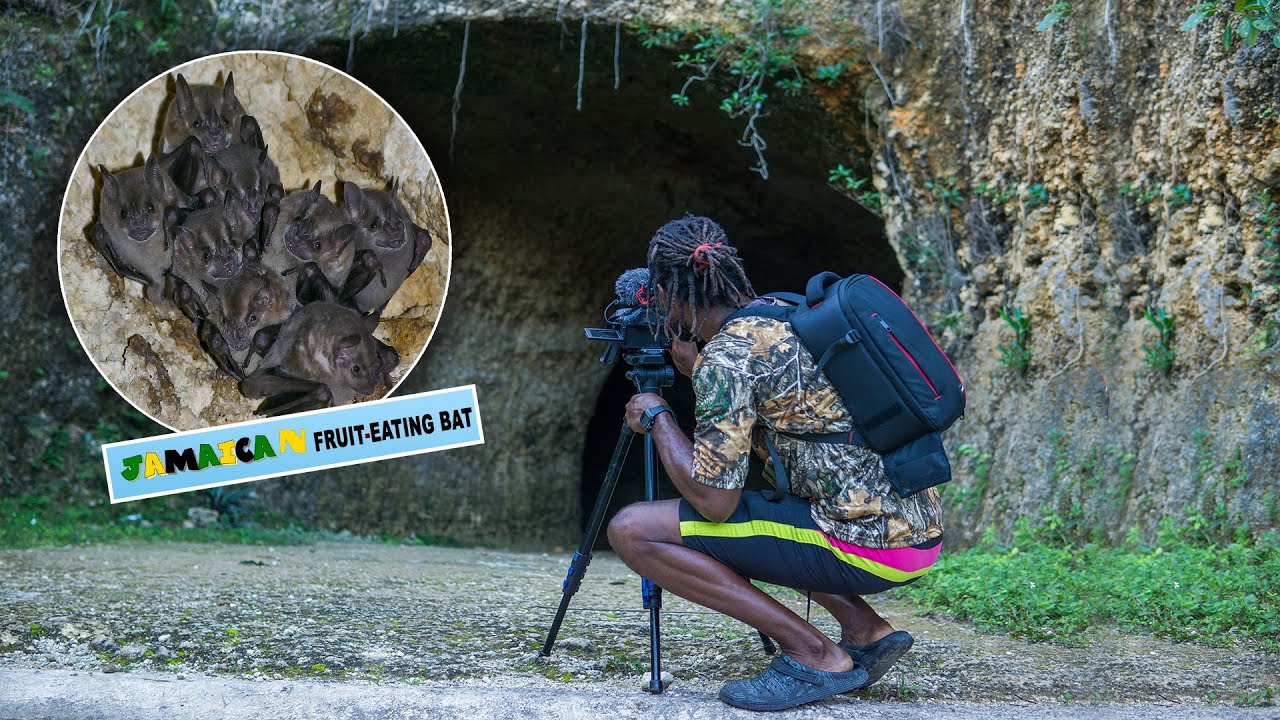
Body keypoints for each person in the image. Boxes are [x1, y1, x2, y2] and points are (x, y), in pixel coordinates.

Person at [607, 214, 944, 712]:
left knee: (633, 530)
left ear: (667, 294)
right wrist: (699, 370)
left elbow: (714, 503)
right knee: (761, 515)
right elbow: (789, 405)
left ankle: (814, 655)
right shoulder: (784, 310)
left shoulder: (728, 358)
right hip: (914, 530)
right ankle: (865, 631)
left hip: (865, 546)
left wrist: (656, 415)